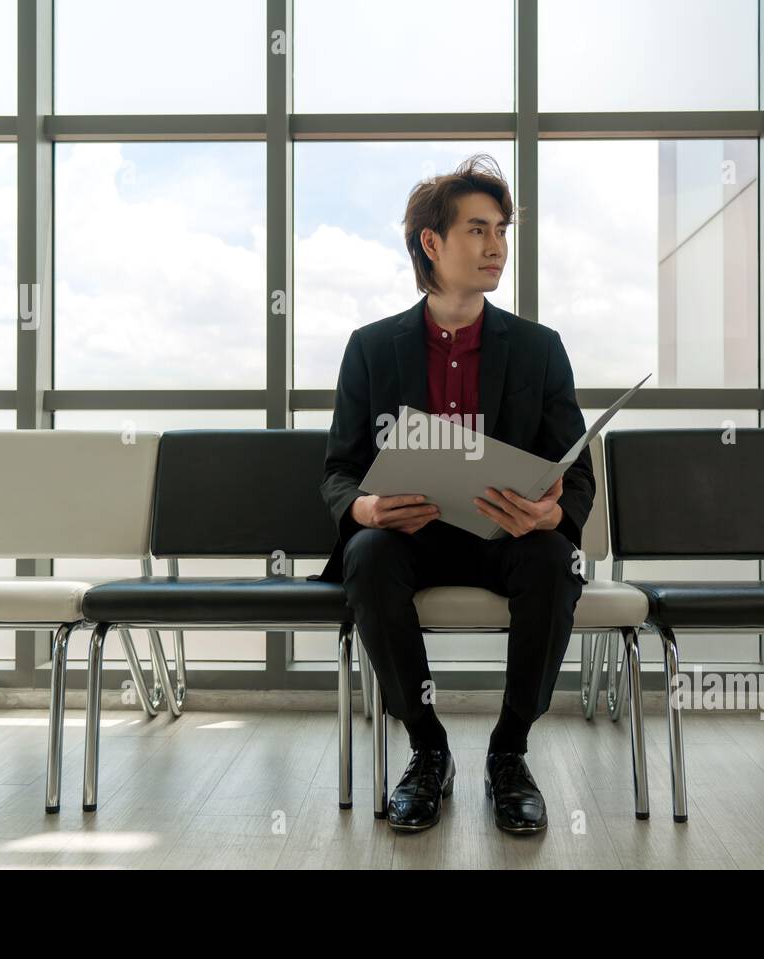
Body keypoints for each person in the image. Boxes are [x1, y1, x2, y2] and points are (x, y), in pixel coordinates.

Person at [314, 154, 594, 834]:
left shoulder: (538, 349)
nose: (496, 244)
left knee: (555, 560)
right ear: (430, 244)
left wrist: (551, 510)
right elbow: (338, 470)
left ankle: (509, 749)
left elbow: (577, 473)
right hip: (412, 537)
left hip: (506, 537)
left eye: (501, 229)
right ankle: (428, 747)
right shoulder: (372, 348)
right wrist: (368, 508)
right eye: (477, 229)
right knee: (369, 554)